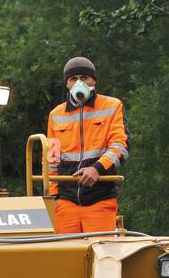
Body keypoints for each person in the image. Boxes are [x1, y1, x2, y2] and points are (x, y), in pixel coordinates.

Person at [45, 56, 129, 234]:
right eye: (73, 79)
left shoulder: (112, 106)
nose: (78, 82)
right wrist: (53, 197)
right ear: (67, 84)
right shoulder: (55, 114)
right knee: (65, 255)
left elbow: (120, 146)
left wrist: (97, 168)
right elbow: (51, 160)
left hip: (99, 197)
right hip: (65, 201)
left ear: (94, 81)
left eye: (84, 77)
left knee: (101, 253)